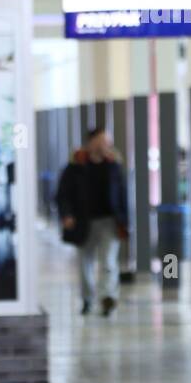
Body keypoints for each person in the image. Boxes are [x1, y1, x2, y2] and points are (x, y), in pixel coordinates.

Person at [56, 127, 129, 316]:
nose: (108, 145)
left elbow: (123, 194)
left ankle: (108, 297)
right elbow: (62, 195)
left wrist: (125, 220)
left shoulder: (113, 164)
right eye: (104, 141)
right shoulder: (75, 166)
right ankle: (87, 299)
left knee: (109, 262)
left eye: (109, 141)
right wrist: (67, 215)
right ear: (92, 142)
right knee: (85, 263)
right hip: (84, 222)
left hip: (109, 221)